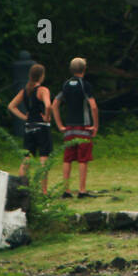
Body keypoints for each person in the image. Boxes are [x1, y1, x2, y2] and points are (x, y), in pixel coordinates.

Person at [50, 57, 99, 198]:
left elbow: (55, 104)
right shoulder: (85, 85)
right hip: (83, 127)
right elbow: (93, 106)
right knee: (83, 159)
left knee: (68, 158)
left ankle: (66, 190)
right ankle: (82, 190)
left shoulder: (65, 85)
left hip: (69, 128)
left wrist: (59, 125)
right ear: (84, 69)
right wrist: (95, 125)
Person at [7, 63, 53, 194]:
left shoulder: (25, 91)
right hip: (42, 127)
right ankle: (44, 191)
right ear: (41, 76)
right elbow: (48, 105)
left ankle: (22, 189)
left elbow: (11, 106)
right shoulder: (43, 90)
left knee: (26, 158)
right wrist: (47, 117)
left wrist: (24, 117)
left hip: (29, 127)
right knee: (44, 159)